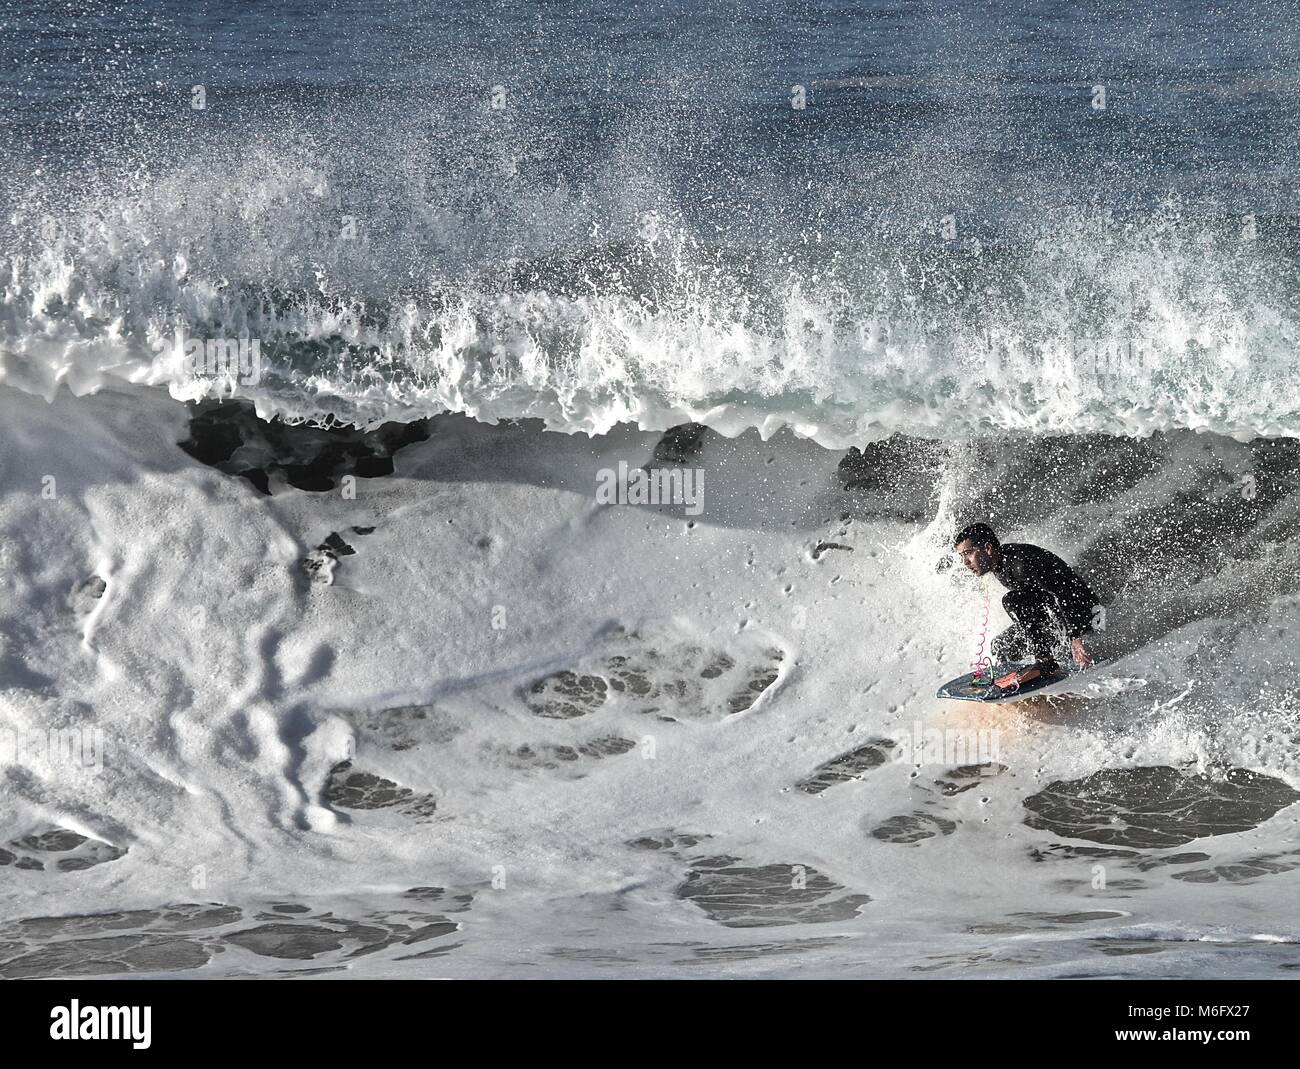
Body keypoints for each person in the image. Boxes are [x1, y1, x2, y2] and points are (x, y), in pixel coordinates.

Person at [952, 522, 1100, 682]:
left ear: (987, 548)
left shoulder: (1020, 562)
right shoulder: (999, 562)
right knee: (1000, 647)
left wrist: (1076, 639)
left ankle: (1046, 664)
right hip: (1059, 616)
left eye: (968, 553)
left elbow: (1064, 593)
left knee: (1011, 601)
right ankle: (1021, 687)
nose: (965, 562)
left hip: (1085, 615)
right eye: (962, 556)